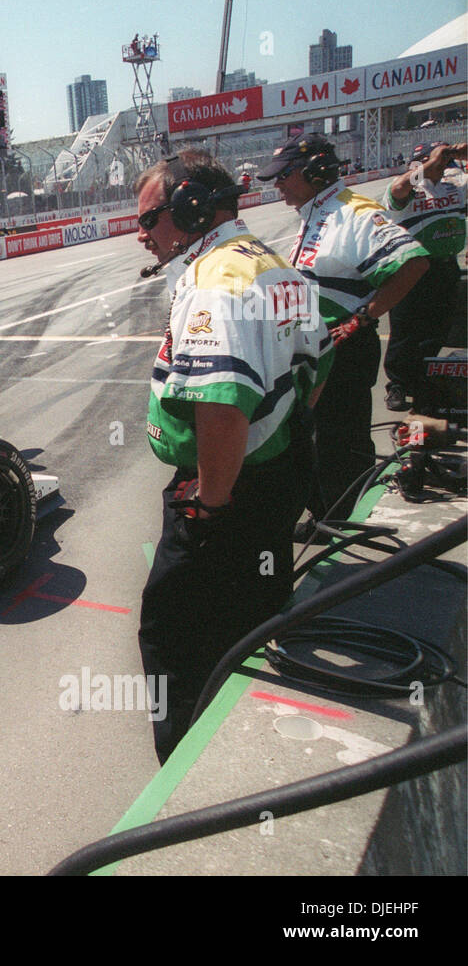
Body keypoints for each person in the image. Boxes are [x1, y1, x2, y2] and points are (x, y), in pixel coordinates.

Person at [134, 149, 333, 762]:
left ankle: (187, 775)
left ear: (191, 207)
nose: (143, 236)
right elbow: (318, 362)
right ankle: (246, 753)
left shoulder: (214, 282)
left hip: (226, 496)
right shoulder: (272, 262)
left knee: (172, 638)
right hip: (277, 474)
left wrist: (211, 504)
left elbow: (221, 404)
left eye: (149, 220)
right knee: (253, 621)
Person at [257, 132, 428, 524]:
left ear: (315, 172)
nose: (278, 184)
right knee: (317, 441)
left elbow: (414, 263)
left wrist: (364, 317)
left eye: (284, 175)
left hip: (345, 349)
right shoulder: (317, 212)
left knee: (340, 443)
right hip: (317, 350)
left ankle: (344, 524)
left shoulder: (355, 213)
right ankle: (327, 517)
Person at [379, 141, 467, 412]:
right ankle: (397, 383)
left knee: (438, 327)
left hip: (445, 266)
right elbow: (397, 190)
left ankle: (421, 379)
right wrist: (429, 165)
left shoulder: (455, 184)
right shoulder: (409, 186)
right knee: (405, 330)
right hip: (412, 268)